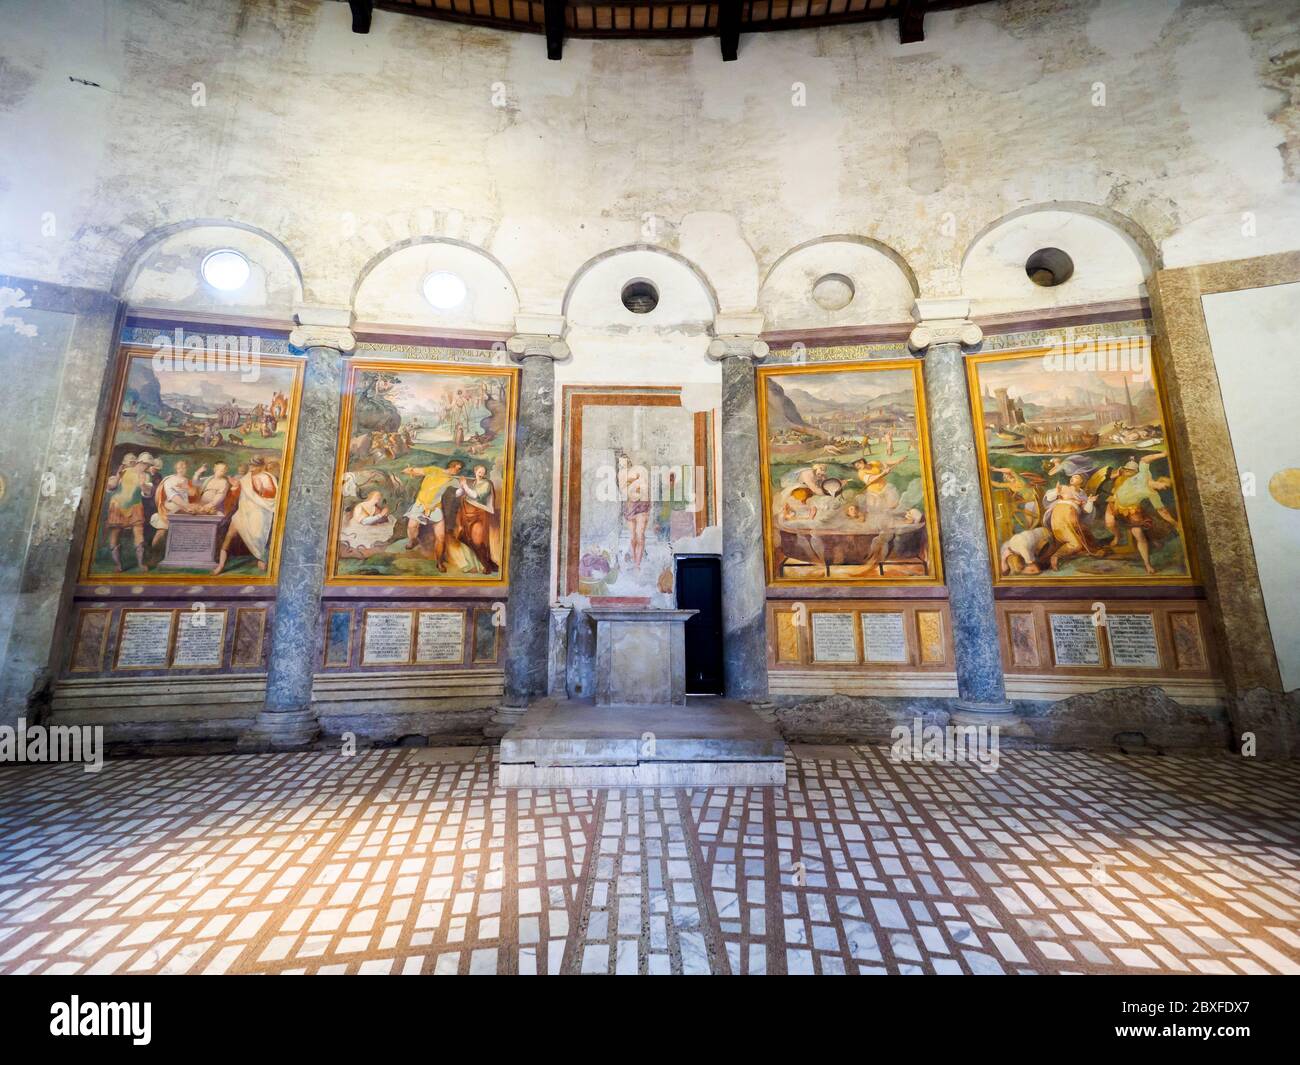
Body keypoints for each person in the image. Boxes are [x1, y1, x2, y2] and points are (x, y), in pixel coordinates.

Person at [1106, 453, 1180, 574]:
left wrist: (1175, 523)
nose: (1164, 489)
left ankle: (1147, 564)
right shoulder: (1145, 474)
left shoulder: (1154, 495)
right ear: (1161, 481)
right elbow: (1145, 459)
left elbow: (1162, 511)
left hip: (1131, 510)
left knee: (1139, 535)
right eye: (1165, 486)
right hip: (1114, 502)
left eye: (1167, 489)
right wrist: (1165, 453)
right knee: (1109, 524)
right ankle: (1117, 536)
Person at [213, 456, 279, 574]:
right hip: (243, 512)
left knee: (259, 538)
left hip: (260, 512)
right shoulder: (247, 477)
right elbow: (239, 493)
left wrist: (260, 489)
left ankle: (262, 557)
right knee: (229, 536)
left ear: (261, 466)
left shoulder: (267, 477)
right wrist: (235, 487)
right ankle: (221, 565)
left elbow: (272, 495)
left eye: (254, 466)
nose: (252, 468)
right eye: (251, 466)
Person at [401, 458, 465, 570]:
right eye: (457, 468)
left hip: (435, 508)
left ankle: (439, 562)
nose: (457, 471)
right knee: (412, 527)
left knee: (440, 537)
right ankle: (413, 540)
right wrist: (410, 470)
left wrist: (463, 485)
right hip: (420, 505)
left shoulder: (453, 480)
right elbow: (418, 471)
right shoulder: (433, 470)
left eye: (458, 470)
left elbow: (459, 492)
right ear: (452, 465)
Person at [104, 452, 151, 571]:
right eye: (145, 464)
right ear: (140, 462)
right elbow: (110, 487)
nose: (145, 467)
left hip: (135, 507)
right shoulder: (125, 471)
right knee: (115, 534)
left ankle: (140, 564)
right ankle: (118, 565)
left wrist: (142, 485)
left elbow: (147, 493)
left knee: (139, 534)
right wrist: (118, 476)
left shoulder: (145, 476)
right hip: (118, 506)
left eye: (147, 465)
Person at [1044, 473, 1100, 571]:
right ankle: (1056, 556)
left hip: (1072, 516)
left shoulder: (1082, 493)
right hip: (1061, 514)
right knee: (1077, 544)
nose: (1072, 478)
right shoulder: (1064, 487)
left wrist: (1090, 501)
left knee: (1084, 535)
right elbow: (1049, 498)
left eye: (1076, 477)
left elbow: (1087, 510)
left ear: (1082, 481)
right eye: (1072, 477)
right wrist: (1056, 491)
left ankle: (1061, 553)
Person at [456, 464, 498, 574]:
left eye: (483, 472)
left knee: (478, 542)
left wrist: (465, 486)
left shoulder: (487, 484)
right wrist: (462, 485)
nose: (482, 474)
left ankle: (486, 565)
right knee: (465, 538)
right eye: (479, 471)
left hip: (479, 515)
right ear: (475, 471)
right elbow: (457, 494)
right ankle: (473, 566)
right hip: (467, 515)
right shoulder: (472, 483)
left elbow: (475, 496)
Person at [151, 460, 203, 548]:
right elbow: (172, 496)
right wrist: (186, 506)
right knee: (161, 532)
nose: (181, 470)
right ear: (176, 469)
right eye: (179, 468)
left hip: (185, 509)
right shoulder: (169, 480)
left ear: (187, 469)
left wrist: (187, 487)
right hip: (170, 509)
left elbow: (193, 493)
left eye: (184, 467)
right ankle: (153, 551)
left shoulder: (187, 480)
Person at [617, 453, 651, 569]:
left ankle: (637, 565)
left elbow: (644, 488)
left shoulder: (638, 471)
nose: (622, 465)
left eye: (624, 462)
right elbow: (623, 491)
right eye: (620, 464)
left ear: (629, 462)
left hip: (642, 506)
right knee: (632, 537)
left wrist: (633, 486)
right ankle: (633, 560)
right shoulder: (621, 475)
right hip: (630, 507)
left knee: (639, 535)